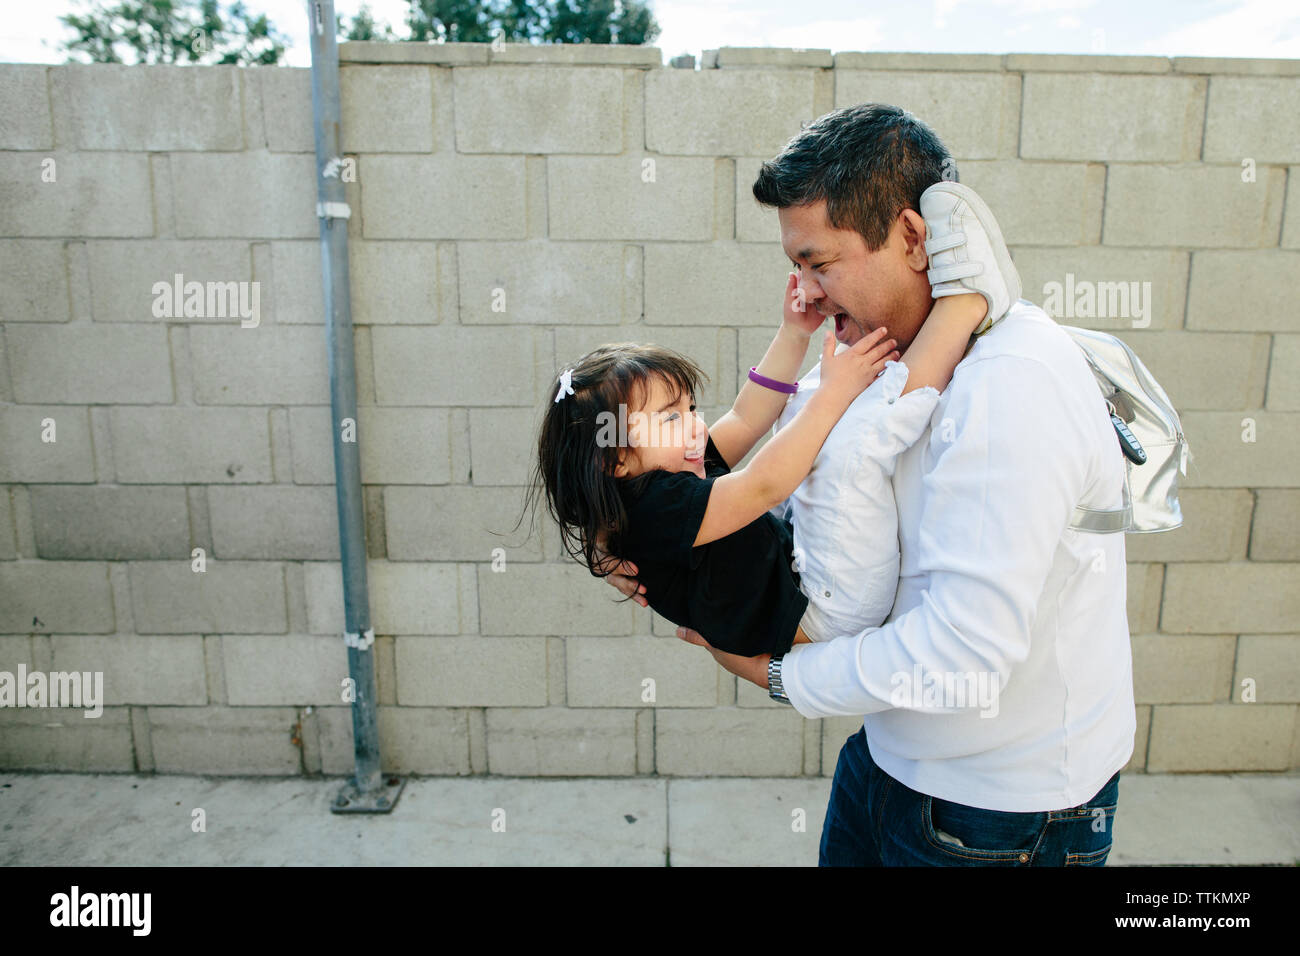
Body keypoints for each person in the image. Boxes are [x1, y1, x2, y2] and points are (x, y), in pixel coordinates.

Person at [603, 103, 1134, 867]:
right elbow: (788, 499)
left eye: (821, 264)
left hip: (998, 813)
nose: (809, 295)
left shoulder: (1013, 385)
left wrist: (781, 676)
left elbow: (963, 656)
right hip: (887, 757)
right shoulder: (864, 355)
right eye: (797, 270)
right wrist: (662, 549)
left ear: (913, 239)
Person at [525, 185, 1013, 660]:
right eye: (669, 418)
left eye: (689, 410)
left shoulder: (671, 469)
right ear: (617, 460)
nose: (694, 425)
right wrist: (835, 393)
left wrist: (793, 334)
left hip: (800, 567)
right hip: (823, 606)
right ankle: (968, 302)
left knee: (804, 410)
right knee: (858, 438)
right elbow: (764, 485)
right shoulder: (657, 508)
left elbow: (747, 416)